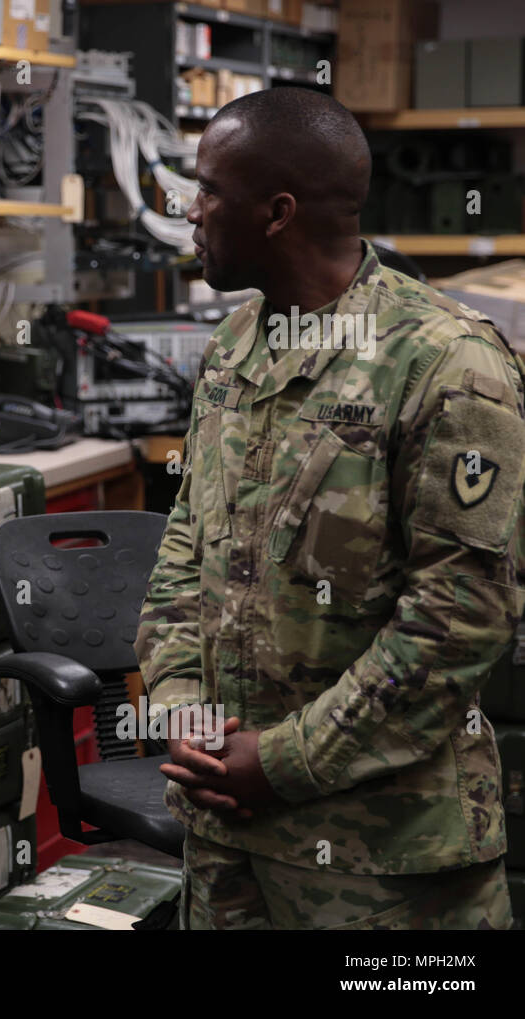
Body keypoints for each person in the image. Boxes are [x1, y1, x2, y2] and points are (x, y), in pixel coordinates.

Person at [135, 87, 522, 930]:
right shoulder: (235, 347)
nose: (190, 212)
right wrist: (182, 715)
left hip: (384, 859)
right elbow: (182, 548)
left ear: (277, 213)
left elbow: (459, 620)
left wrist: (281, 762)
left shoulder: (447, 362)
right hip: (227, 837)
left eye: (207, 191)